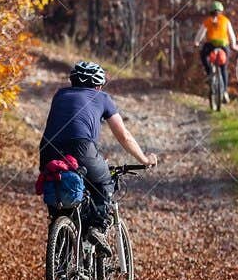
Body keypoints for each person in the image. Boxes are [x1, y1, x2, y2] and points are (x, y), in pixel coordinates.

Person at [38, 61, 155, 248]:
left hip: (47, 149)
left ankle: (60, 240)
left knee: (58, 184)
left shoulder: (60, 95)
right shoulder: (103, 98)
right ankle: (96, 228)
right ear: (98, 85)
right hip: (82, 148)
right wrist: (144, 159)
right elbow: (124, 136)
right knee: (103, 181)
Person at [193, 1, 238, 84]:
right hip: (224, 45)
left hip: (211, 45)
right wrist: (233, 45)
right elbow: (231, 34)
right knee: (223, 68)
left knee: (203, 55)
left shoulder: (208, 21)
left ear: (211, 11)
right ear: (221, 11)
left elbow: (201, 33)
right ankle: (225, 91)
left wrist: (196, 42)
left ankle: (209, 72)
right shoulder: (225, 20)